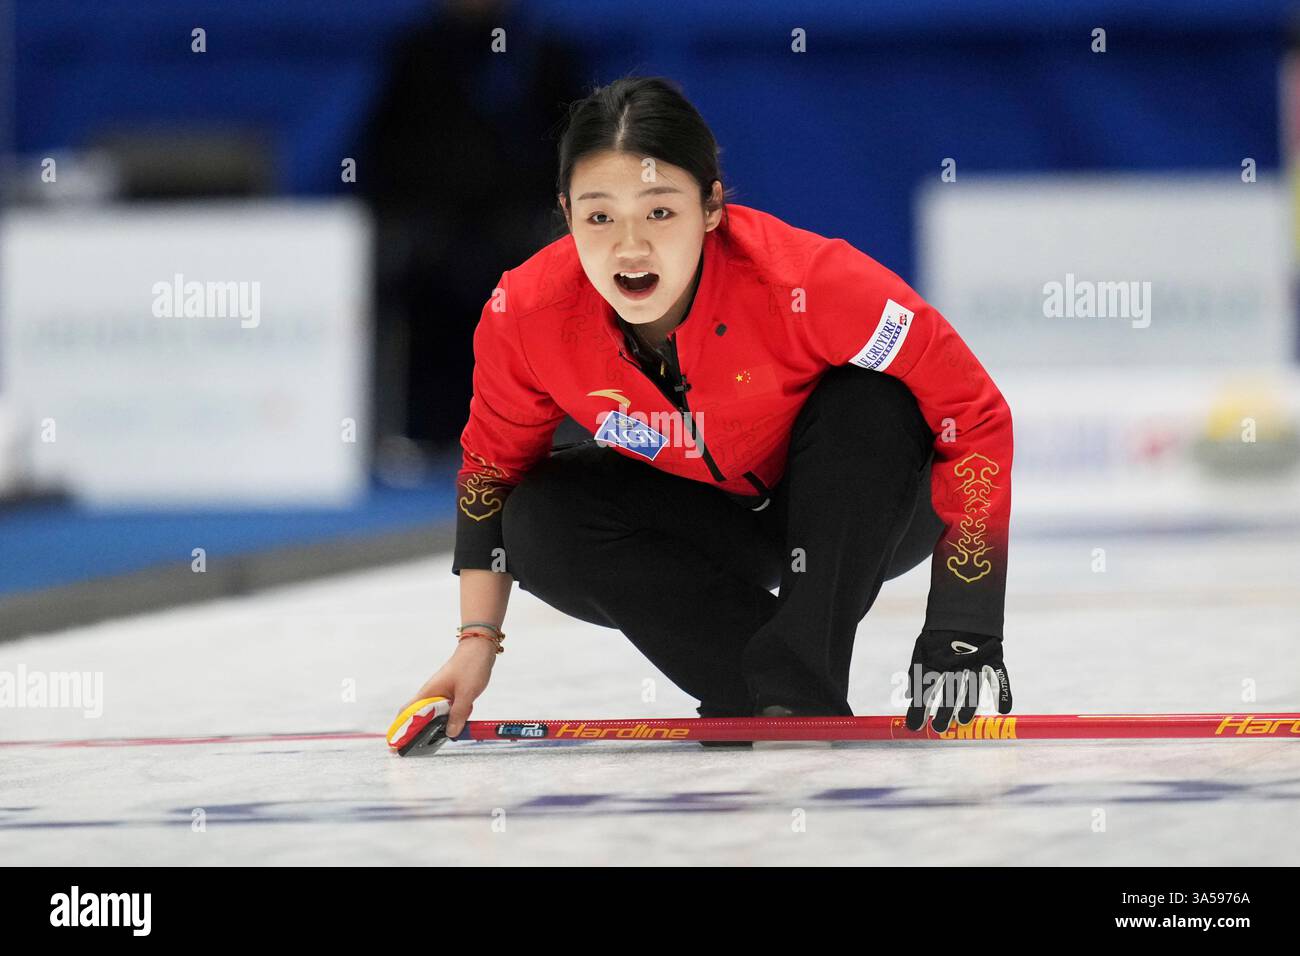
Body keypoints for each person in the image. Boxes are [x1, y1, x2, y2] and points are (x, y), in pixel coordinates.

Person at [400, 75, 1014, 744]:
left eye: (660, 212)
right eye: (599, 216)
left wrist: (964, 620)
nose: (628, 247)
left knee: (875, 394)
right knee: (536, 517)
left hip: (865, 509)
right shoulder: (524, 313)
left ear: (712, 206)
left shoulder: (812, 282)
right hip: (710, 525)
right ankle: (767, 687)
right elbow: (490, 473)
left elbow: (972, 415)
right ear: (566, 212)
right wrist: (475, 644)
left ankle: (795, 672)